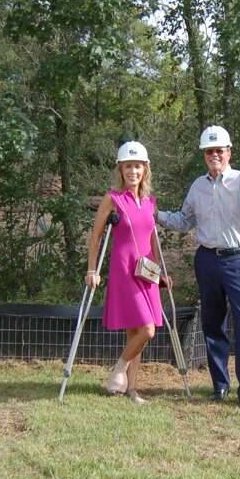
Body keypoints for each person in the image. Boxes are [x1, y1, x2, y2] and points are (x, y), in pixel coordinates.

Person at [157, 125, 240, 410]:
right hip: (207, 260)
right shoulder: (198, 187)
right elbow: (184, 221)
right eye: (209, 151)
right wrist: (156, 216)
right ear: (204, 155)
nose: (214, 155)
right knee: (212, 323)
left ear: (229, 152)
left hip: (239, 261)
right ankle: (220, 385)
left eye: (219, 150)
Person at [86, 141, 167, 405]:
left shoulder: (149, 202)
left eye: (138, 166)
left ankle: (132, 390)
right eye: (128, 166)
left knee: (137, 333)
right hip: (124, 270)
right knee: (147, 330)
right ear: (121, 170)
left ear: (145, 170)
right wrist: (91, 269)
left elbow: (153, 241)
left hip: (147, 272)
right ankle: (119, 368)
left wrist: (162, 272)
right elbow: (96, 237)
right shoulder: (113, 198)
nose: (133, 171)